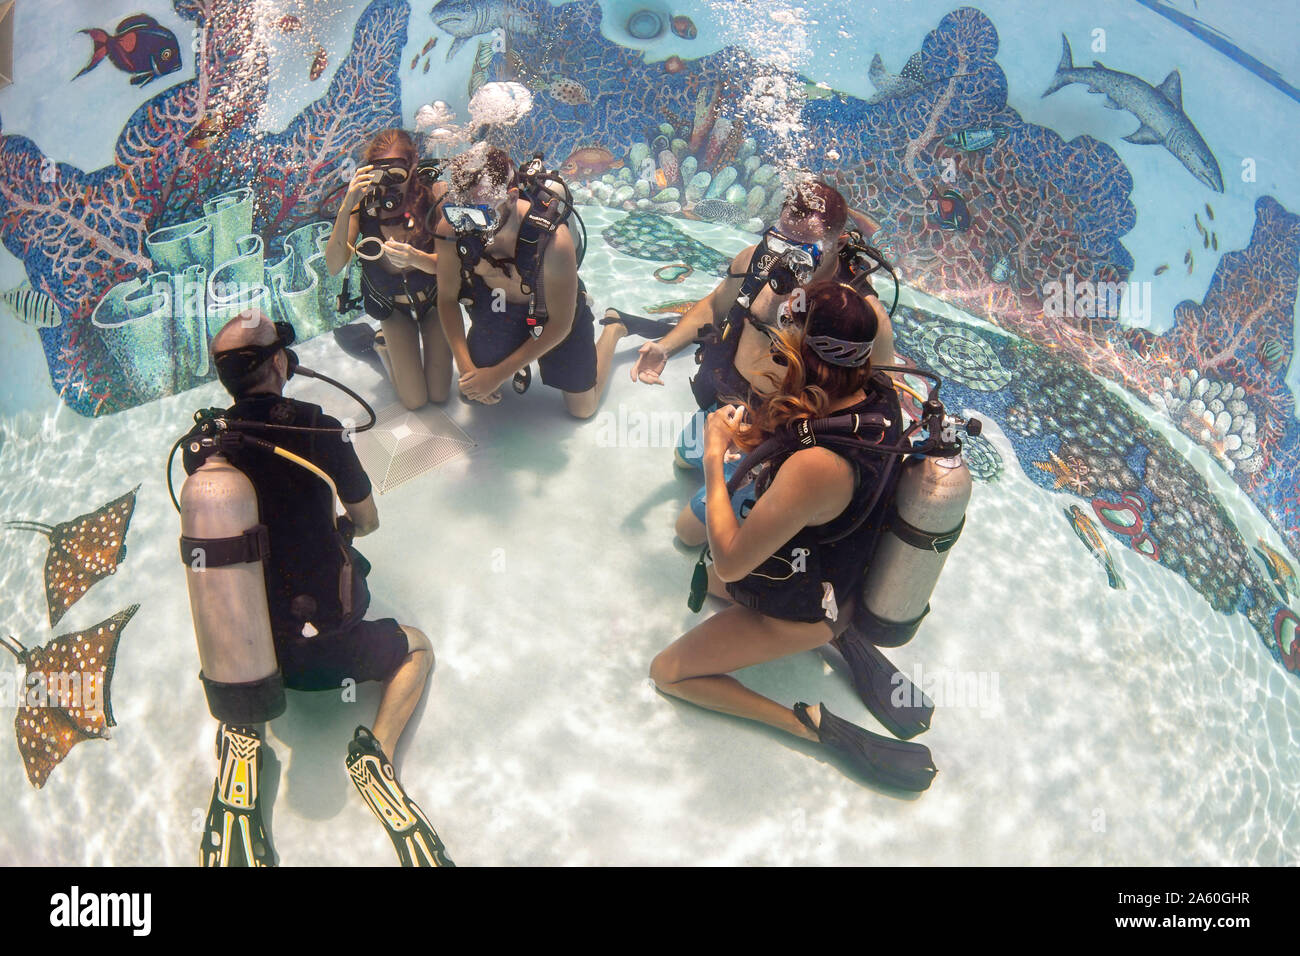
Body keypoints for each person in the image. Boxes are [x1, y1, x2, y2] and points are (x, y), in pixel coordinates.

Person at [185, 310, 453, 866]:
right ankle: (374, 752)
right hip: (321, 656)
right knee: (418, 646)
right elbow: (369, 519)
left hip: (248, 662)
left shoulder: (202, 451)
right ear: (282, 362)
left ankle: (243, 736)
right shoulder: (316, 429)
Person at [648, 282, 937, 792]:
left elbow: (734, 562)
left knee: (668, 670)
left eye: (785, 340)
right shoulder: (878, 395)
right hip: (841, 575)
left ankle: (805, 722)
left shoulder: (816, 466)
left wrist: (714, 458)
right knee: (712, 583)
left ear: (804, 353)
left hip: (802, 605)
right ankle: (841, 629)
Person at [611, 180, 897, 544]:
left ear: (838, 245)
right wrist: (665, 347)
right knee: (683, 461)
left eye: (805, 249)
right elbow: (715, 306)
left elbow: (880, 401)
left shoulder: (861, 315)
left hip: (782, 437)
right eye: (780, 241)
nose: (786, 259)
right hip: (730, 405)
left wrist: (797, 461)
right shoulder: (754, 261)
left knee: (686, 534)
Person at [432, 143, 623, 418]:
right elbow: (448, 297)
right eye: (462, 212)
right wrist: (466, 368)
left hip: (551, 311)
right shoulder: (452, 226)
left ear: (510, 198)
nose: (469, 226)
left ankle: (614, 328)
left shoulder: (553, 241)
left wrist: (498, 374)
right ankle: (507, 358)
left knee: (583, 409)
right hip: (498, 308)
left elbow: (560, 324)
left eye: (482, 214)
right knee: (470, 391)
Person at [325, 128, 452, 410]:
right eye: (378, 173)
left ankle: (393, 347)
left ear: (413, 165)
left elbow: (453, 267)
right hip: (393, 307)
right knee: (415, 401)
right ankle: (381, 345)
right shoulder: (364, 202)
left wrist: (418, 259)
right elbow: (334, 265)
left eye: (396, 173)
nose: (388, 184)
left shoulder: (434, 195)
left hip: (433, 301)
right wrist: (347, 206)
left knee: (441, 394)